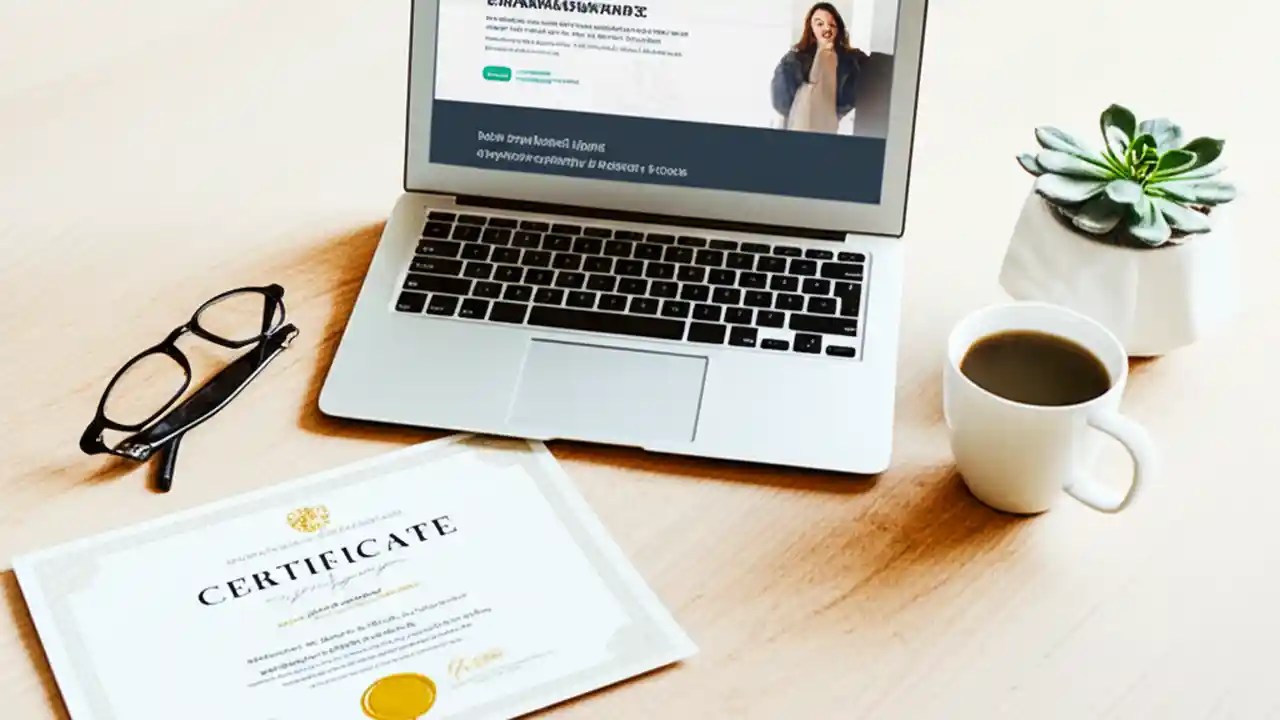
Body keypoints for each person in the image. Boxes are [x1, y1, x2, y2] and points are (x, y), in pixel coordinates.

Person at [771, 3, 866, 133]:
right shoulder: (794, 60)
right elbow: (781, 101)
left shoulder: (850, 61)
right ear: (811, 28)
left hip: (831, 128)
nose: (827, 28)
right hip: (799, 127)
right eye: (820, 24)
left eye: (832, 24)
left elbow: (851, 98)